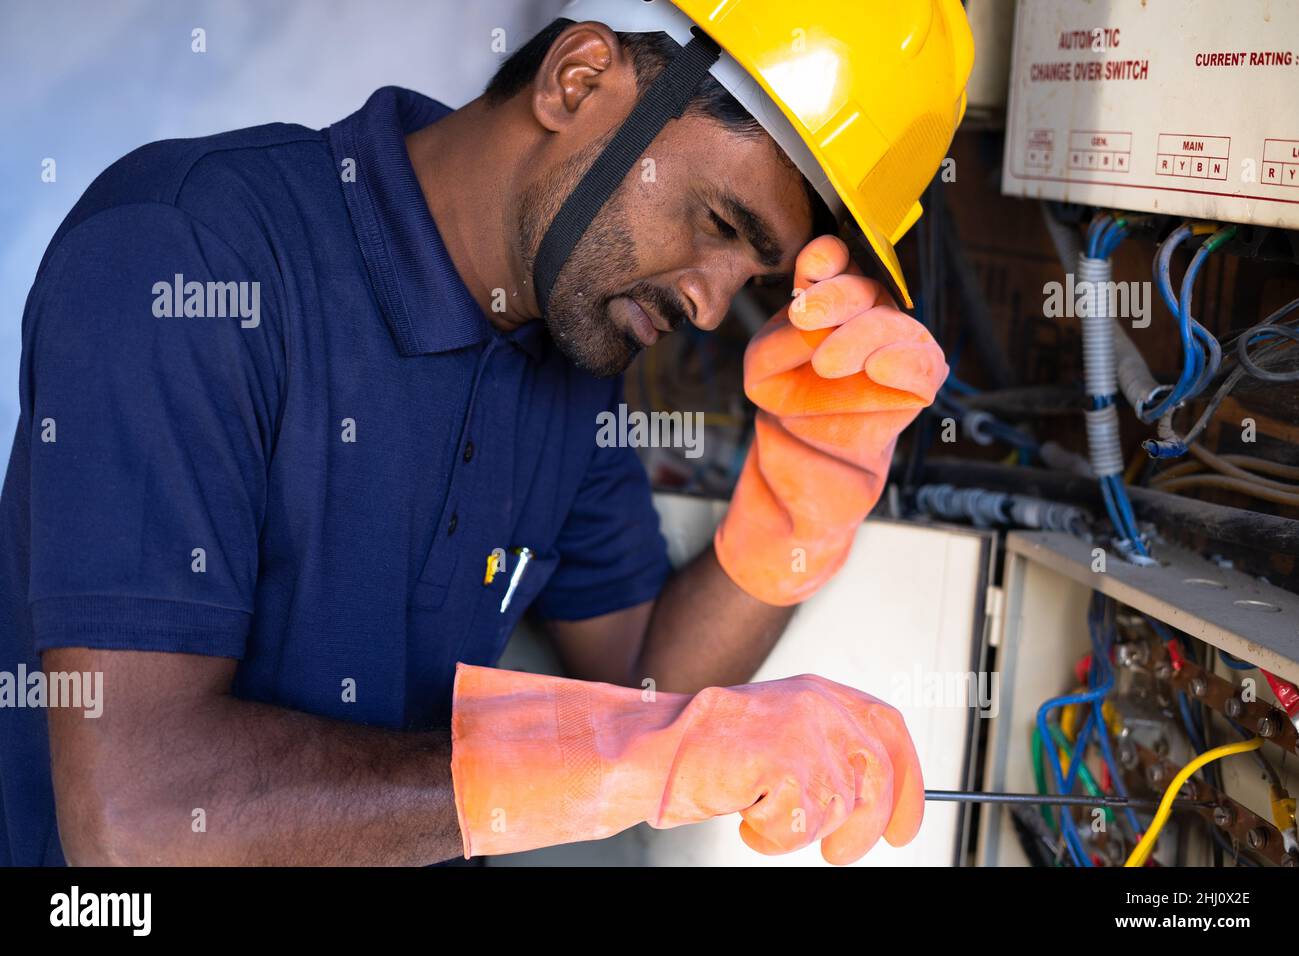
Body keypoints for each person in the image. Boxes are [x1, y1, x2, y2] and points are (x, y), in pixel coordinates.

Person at [0, 0, 971, 865]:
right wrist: (643, 758)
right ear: (577, 79)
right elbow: (141, 818)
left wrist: (797, 503)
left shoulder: (568, 354)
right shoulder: (185, 256)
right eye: (718, 221)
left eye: (755, 276)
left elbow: (648, 682)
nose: (714, 309)